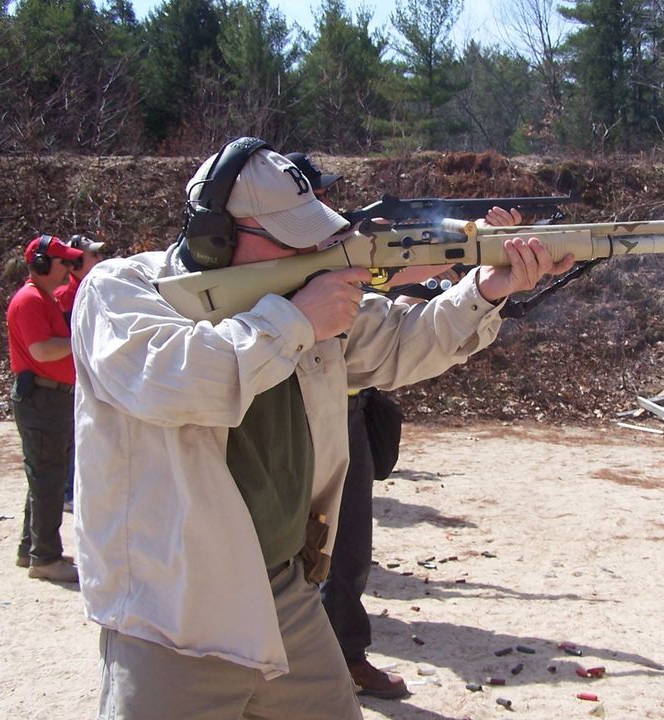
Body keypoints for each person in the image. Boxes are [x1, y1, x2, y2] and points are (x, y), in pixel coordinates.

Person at [70, 138, 574, 719]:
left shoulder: (289, 300)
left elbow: (401, 346)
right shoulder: (119, 291)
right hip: (171, 614)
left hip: (287, 594)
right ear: (217, 235)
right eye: (290, 236)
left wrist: (487, 289)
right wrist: (294, 321)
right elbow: (172, 382)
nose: (312, 249)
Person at [286, 153, 525, 698]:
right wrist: (452, 259)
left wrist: (475, 273)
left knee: (346, 549)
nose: (325, 202)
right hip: (300, 413)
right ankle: (322, 663)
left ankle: (344, 655)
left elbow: (401, 327)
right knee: (304, 552)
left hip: (350, 405)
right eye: (313, 195)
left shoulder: (343, 243)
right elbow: (388, 278)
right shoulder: (314, 256)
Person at [7, 234, 83, 583]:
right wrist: (79, 340)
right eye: (62, 261)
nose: (69, 267)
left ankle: (32, 549)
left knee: (44, 476)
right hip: (43, 398)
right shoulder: (30, 300)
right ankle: (46, 558)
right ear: (39, 264)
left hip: (50, 397)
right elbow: (42, 351)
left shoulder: (44, 298)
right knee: (48, 477)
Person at [53, 233, 107, 512]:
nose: (99, 259)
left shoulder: (97, 289)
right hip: (73, 376)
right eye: (93, 255)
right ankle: (69, 492)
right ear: (74, 264)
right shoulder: (65, 295)